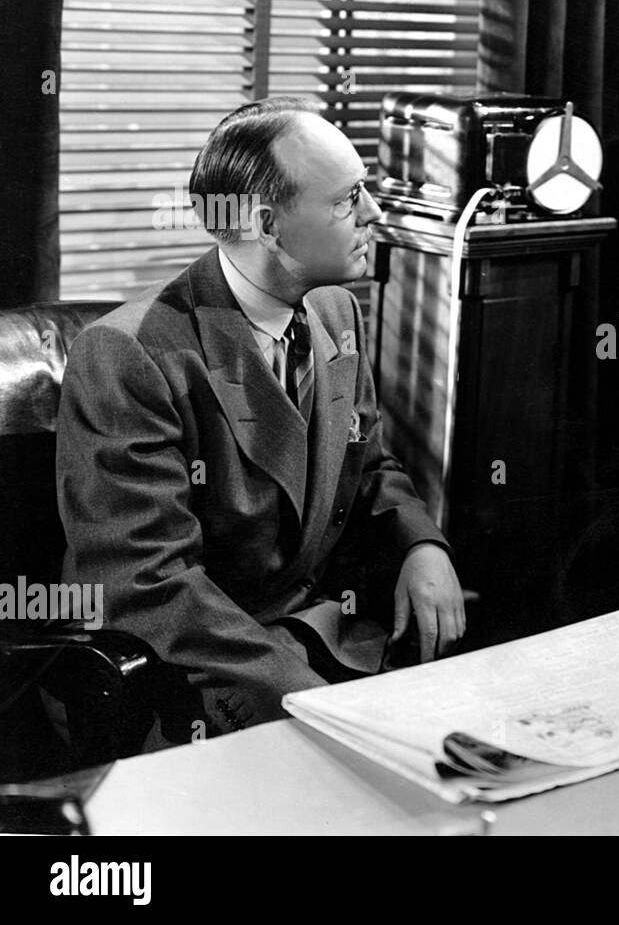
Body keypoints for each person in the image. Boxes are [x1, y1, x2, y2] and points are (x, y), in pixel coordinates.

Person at [57, 97, 465, 742]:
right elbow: (147, 584)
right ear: (269, 226)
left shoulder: (335, 310)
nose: (374, 214)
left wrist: (420, 544)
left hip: (314, 627)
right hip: (191, 666)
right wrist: (313, 701)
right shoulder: (128, 353)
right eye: (347, 198)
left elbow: (366, 466)